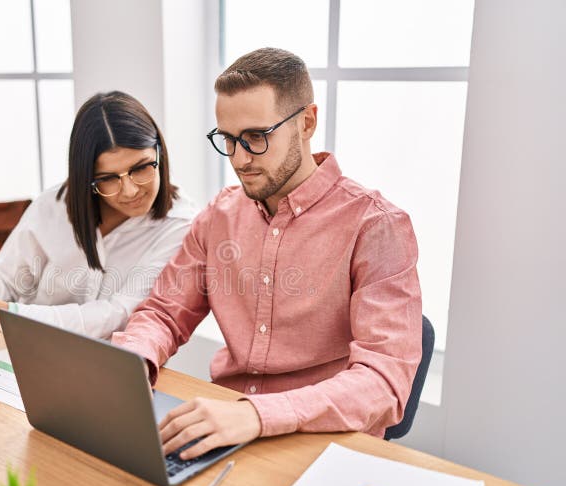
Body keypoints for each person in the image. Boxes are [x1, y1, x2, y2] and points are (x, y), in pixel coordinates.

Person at [111, 48, 422, 459]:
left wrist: (257, 414)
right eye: (228, 140)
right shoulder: (219, 215)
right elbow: (165, 312)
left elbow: (384, 381)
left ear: (307, 122)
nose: (239, 159)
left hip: (322, 444)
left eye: (256, 138)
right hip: (227, 432)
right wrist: (130, 363)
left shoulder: (377, 226)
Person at [0, 91, 195, 339]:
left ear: (159, 152)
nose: (130, 190)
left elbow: (119, 314)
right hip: (27, 351)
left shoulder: (180, 225)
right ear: (87, 176)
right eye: (108, 178)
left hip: (115, 369)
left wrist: (7, 315)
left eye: (142, 167)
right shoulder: (55, 204)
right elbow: (6, 277)